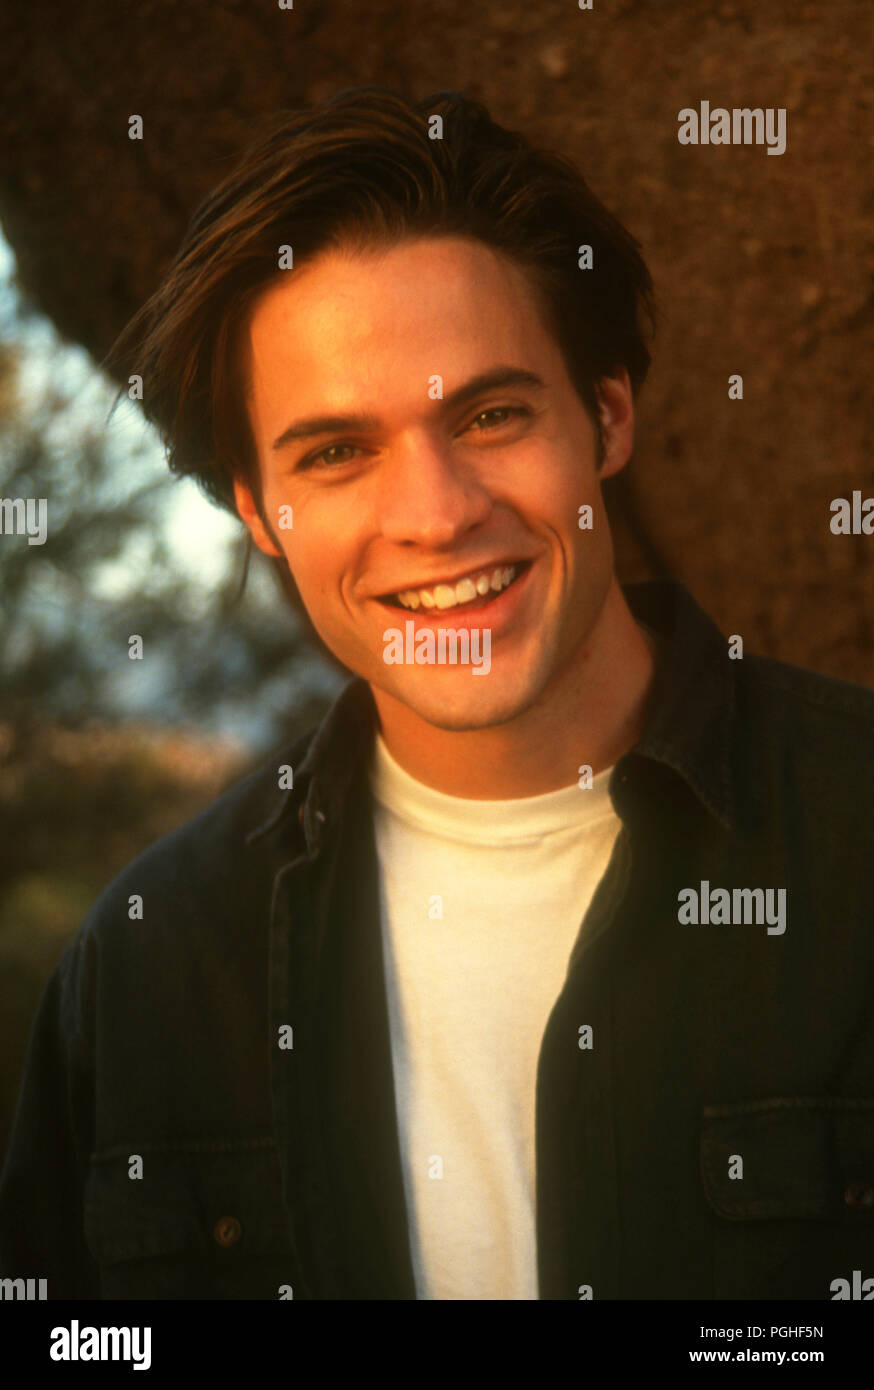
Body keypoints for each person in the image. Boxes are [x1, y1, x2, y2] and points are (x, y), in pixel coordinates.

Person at [2, 85, 873, 1303]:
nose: (438, 512)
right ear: (256, 509)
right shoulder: (148, 970)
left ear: (607, 417)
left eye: (492, 412)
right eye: (335, 452)